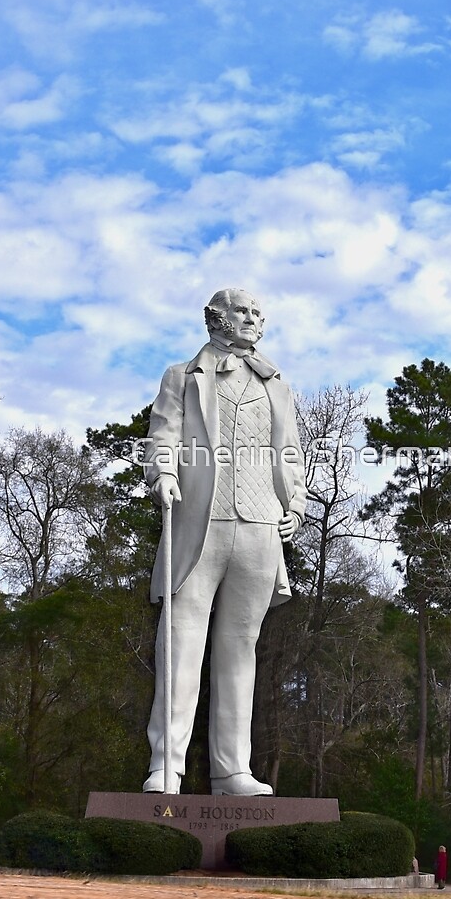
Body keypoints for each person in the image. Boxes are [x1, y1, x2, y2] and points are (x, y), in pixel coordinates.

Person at [142, 289, 306, 796]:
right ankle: (166, 766)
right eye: (242, 311)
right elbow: (163, 435)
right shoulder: (181, 376)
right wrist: (163, 474)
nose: (253, 318)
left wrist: (296, 505)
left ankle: (232, 771)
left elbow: (290, 452)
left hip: (261, 525)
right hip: (199, 522)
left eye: (258, 312)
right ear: (216, 317)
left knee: (240, 651)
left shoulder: (277, 385)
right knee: (180, 645)